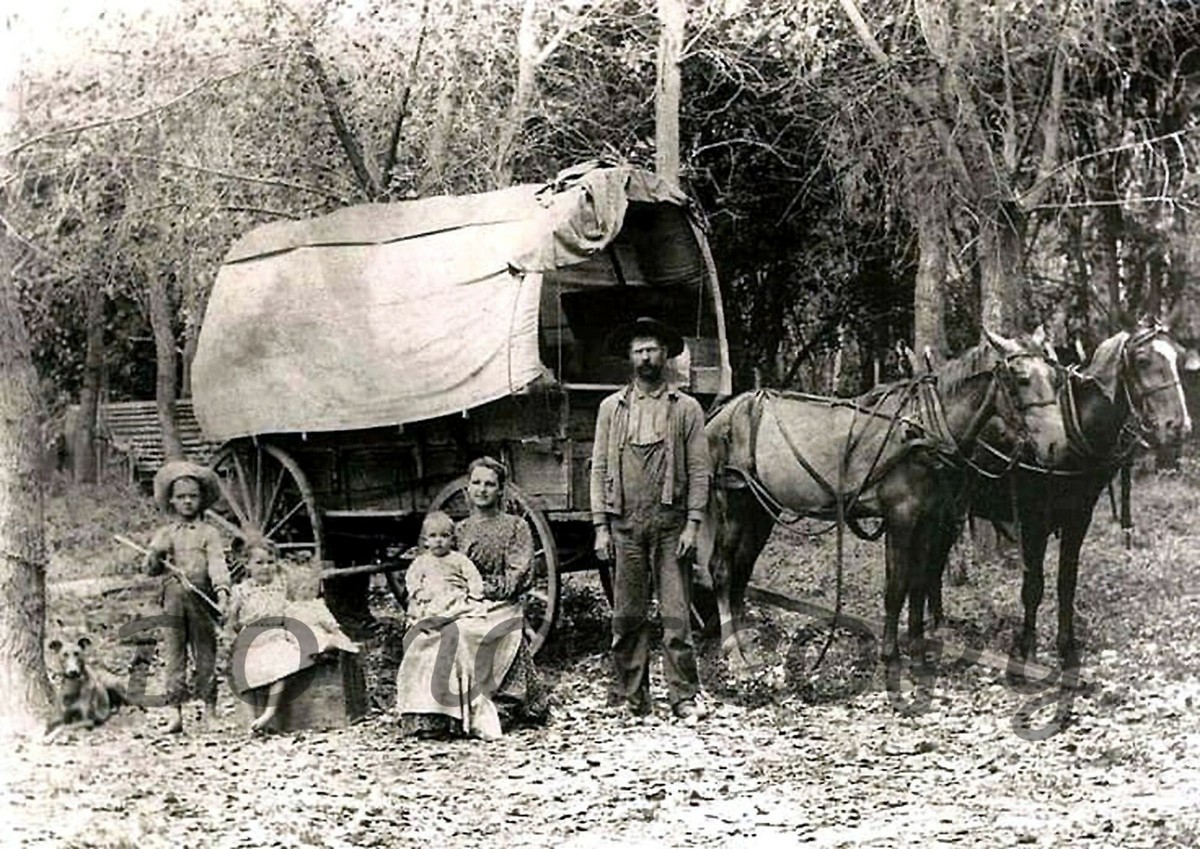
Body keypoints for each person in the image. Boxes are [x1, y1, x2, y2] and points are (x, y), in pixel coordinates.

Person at [590, 316, 711, 724]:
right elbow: (599, 467)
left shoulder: (686, 408)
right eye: (639, 349)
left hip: (670, 527)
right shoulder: (612, 409)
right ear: (630, 357)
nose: (646, 356)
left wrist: (693, 523)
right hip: (625, 526)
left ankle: (683, 697)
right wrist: (600, 526)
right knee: (627, 616)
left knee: (676, 616)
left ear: (666, 355)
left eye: (653, 349)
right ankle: (632, 696)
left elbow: (699, 470)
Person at [395, 511, 523, 741]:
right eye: (433, 536)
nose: (438, 541)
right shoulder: (421, 562)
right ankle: (427, 715)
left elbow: (472, 578)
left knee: (458, 630)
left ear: (453, 539)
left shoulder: (458, 560)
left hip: (455, 602)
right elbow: (412, 581)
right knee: (422, 642)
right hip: (431, 604)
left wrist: (474, 595)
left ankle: (453, 715)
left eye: (444, 536)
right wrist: (418, 593)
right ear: (425, 540)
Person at [455, 456, 551, 728]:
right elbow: (449, 571)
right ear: (468, 488)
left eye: (489, 484)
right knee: (451, 629)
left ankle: (504, 701)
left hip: (501, 603)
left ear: (500, 490)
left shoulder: (515, 527)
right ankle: (455, 707)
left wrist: (484, 588)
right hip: (468, 603)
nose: (482, 490)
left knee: (487, 629)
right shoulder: (460, 530)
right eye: (476, 483)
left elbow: (518, 575)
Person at [225, 542, 358, 734]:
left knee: (284, 664)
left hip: (277, 636)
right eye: (259, 563)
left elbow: (301, 602)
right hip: (252, 639)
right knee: (241, 670)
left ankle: (270, 712)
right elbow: (231, 621)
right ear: (247, 565)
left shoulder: (280, 586)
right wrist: (232, 638)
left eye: (270, 562)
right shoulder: (241, 591)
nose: (265, 567)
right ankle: (251, 721)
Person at [145, 460, 232, 734]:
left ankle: (209, 711)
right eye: (181, 497)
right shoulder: (165, 533)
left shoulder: (210, 534)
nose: (187, 502)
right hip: (172, 601)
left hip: (200, 599)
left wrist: (222, 592)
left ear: (202, 500)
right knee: (174, 655)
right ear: (171, 500)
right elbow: (150, 570)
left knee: (206, 653)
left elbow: (218, 564)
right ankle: (174, 713)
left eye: (193, 497)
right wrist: (155, 555)